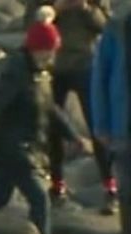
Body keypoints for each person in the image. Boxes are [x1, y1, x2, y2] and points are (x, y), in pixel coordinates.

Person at [0, 7, 87, 234]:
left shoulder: (41, 74)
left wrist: (73, 136)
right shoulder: (15, 74)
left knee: (0, 197)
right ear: (34, 49)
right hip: (14, 149)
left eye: (52, 52)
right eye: (46, 52)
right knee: (40, 198)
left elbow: (51, 109)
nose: (50, 56)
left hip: (30, 146)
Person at [47, 0, 114, 209]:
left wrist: (85, 8)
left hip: (86, 65)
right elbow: (31, 24)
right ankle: (57, 184)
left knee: (97, 126)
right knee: (52, 128)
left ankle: (109, 186)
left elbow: (106, 25)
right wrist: (56, 9)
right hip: (53, 66)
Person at [92, 6, 131, 234]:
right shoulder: (116, 28)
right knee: (127, 193)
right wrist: (101, 124)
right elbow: (100, 78)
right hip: (123, 126)